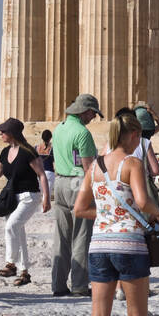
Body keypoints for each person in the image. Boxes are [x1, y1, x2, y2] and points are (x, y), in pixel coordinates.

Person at [68, 110, 159, 316]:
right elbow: (143, 201)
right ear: (133, 135)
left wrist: (109, 215)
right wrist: (157, 214)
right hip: (129, 246)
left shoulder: (94, 166)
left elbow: (79, 209)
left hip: (99, 246)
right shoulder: (132, 163)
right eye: (140, 137)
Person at [0, 117, 49, 286]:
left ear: (12, 133)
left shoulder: (28, 151)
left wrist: (46, 198)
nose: (0, 134)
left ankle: (10, 264)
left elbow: (42, 174)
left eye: (3, 131)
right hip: (13, 197)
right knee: (18, 233)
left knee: (11, 226)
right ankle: (24, 272)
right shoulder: (5, 152)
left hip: (30, 196)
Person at [51, 94, 100, 296]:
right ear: (86, 111)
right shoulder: (83, 133)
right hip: (78, 183)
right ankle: (79, 285)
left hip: (60, 182)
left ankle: (58, 285)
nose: (94, 118)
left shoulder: (59, 128)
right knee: (81, 235)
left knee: (61, 236)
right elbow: (88, 167)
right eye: (93, 114)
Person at [37, 130, 56, 196]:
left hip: (39, 173)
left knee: (39, 196)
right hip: (49, 173)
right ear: (50, 138)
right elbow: (54, 161)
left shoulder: (36, 148)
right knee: (47, 196)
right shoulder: (52, 149)